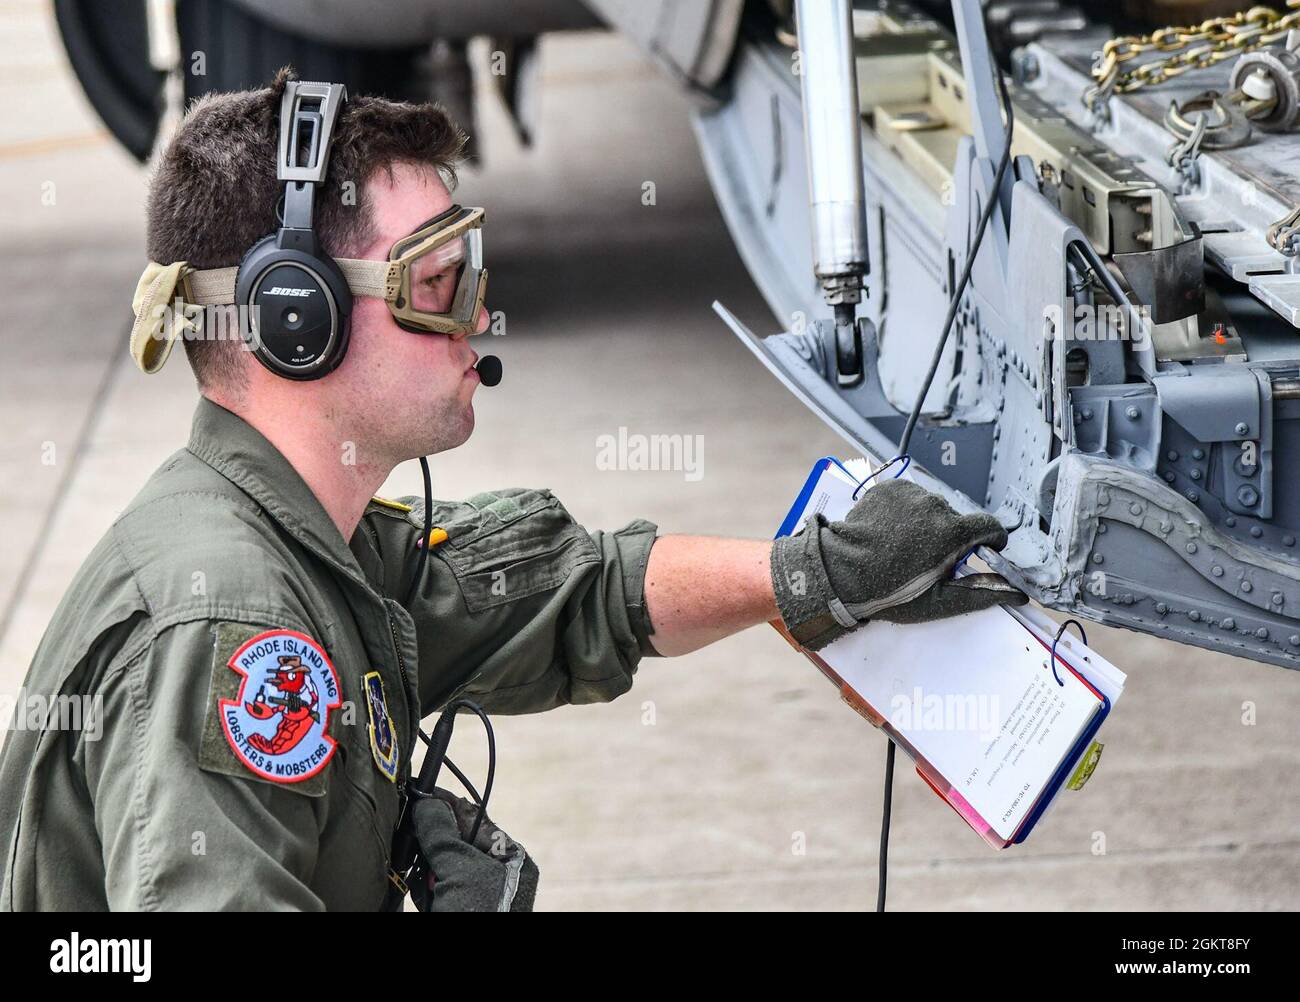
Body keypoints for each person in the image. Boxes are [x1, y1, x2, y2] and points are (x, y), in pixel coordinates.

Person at [0, 71, 1024, 911]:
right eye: (436, 281)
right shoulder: (231, 626)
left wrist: (807, 574)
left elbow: (564, 591)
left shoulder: (312, 539)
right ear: (292, 321)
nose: (478, 314)